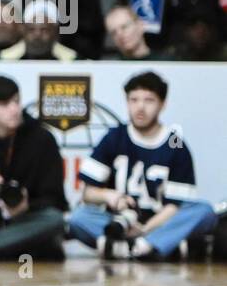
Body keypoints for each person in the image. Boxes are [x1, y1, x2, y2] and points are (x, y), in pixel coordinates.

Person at [68, 71, 218, 260]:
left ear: (162, 104)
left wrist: (145, 230)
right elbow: (88, 193)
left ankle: (136, 246)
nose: (140, 107)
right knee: (79, 217)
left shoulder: (175, 143)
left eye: (149, 100)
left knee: (204, 212)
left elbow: (175, 207)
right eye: (134, 100)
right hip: (119, 223)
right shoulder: (115, 136)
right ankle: (153, 248)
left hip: (160, 223)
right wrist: (110, 196)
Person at [0, 76, 67, 260]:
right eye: (5, 104)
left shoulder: (42, 139)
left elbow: (56, 200)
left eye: (17, 101)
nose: (15, 109)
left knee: (55, 220)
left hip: (29, 219)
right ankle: (14, 246)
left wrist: (25, 206)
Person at [0, 0, 78, 61]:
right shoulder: (3, 60)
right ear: (23, 30)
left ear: (55, 31)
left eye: (44, 30)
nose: (37, 35)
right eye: (31, 29)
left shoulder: (74, 61)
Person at [101, 4, 165, 62]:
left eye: (124, 27)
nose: (119, 34)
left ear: (140, 25)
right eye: (113, 32)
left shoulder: (166, 62)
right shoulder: (110, 67)